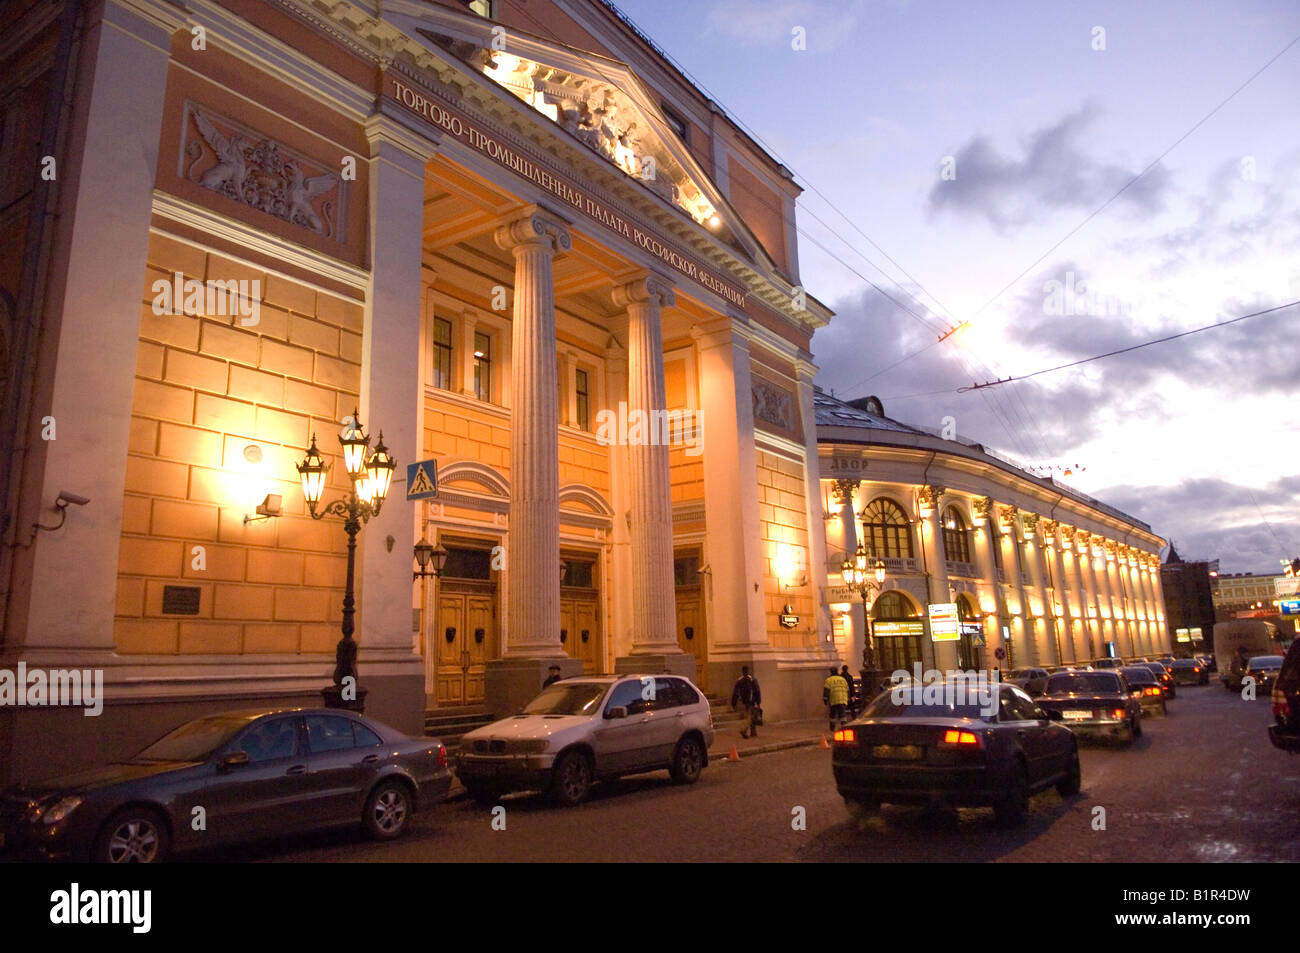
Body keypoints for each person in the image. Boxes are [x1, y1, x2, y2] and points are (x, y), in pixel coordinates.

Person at [731, 666, 762, 739]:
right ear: (748, 671)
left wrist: (734, 704)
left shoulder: (739, 680)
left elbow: (735, 693)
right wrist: (758, 702)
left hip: (745, 701)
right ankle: (744, 730)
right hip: (752, 701)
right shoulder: (752, 680)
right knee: (750, 716)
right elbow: (757, 691)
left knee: (751, 715)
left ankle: (753, 732)